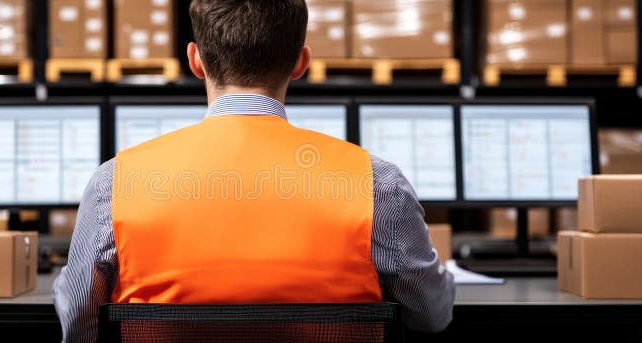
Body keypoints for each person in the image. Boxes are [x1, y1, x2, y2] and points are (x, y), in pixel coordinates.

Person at [53, 0, 454, 341]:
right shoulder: (377, 184)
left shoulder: (115, 183)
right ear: (301, 62)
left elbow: (78, 324)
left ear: (195, 61)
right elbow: (432, 315)